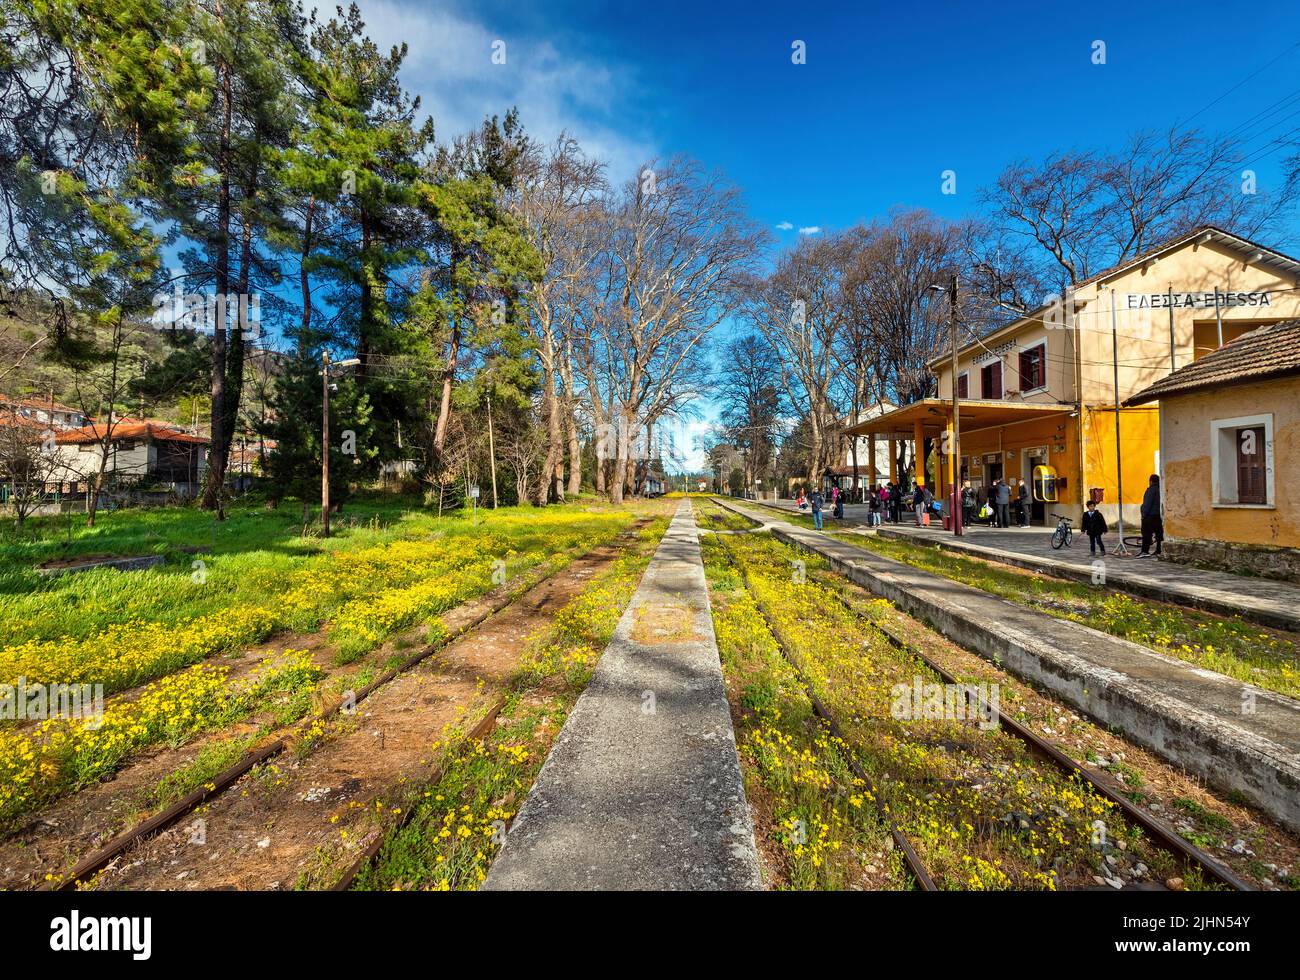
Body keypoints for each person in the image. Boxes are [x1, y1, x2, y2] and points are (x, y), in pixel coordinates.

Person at [1138, 474, 1163, 558]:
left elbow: (1147, 503)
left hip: (1150, 515)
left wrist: (1143, 514)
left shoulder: (1151, 490)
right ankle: (1159, 550)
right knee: (1159, 534)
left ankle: (1145, 551)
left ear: (1151, 481)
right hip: (1159, 515)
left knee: (1146, 534)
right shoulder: (1161, 489)